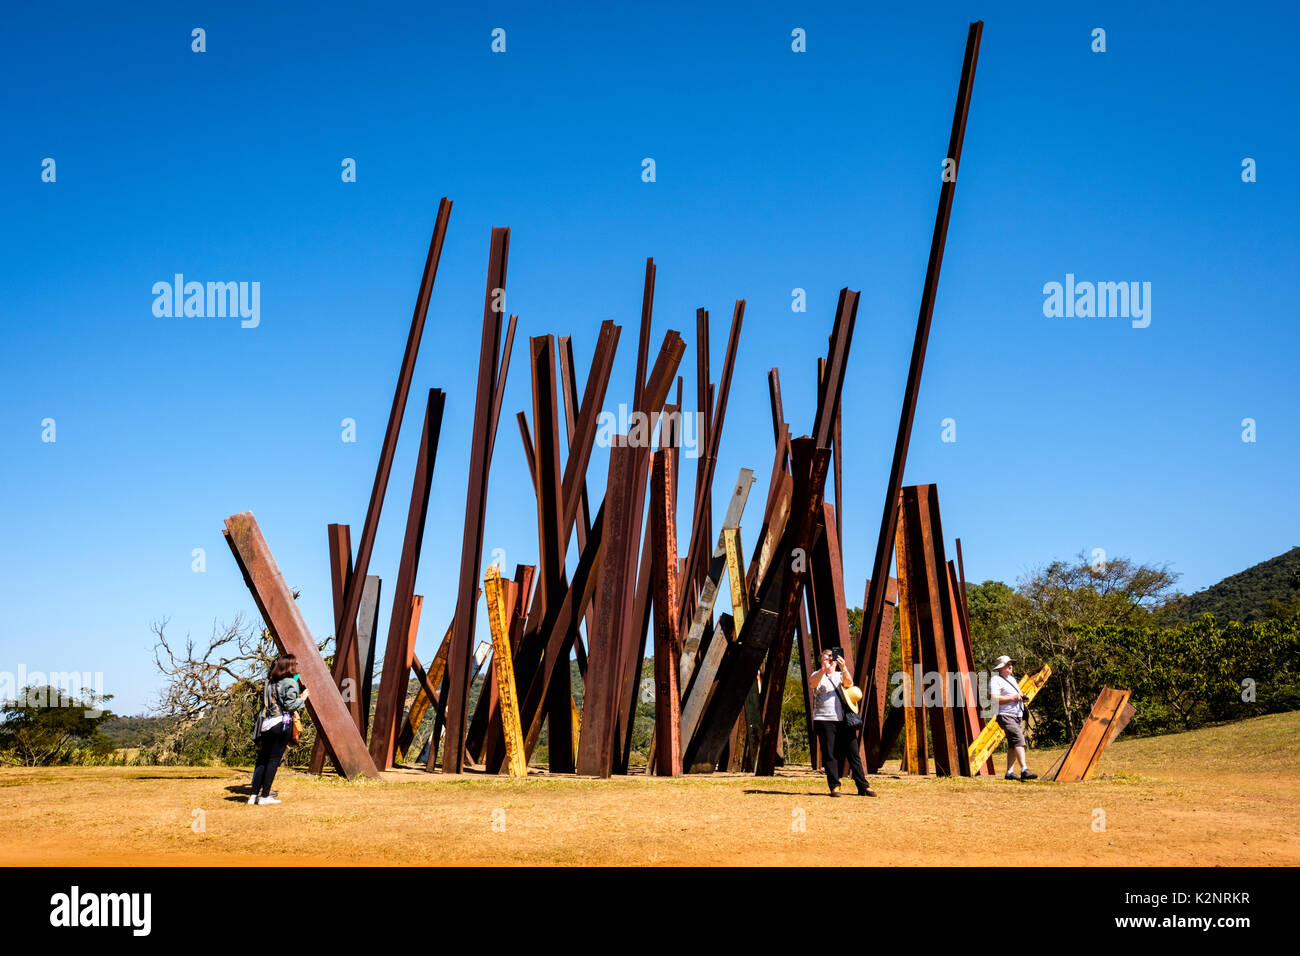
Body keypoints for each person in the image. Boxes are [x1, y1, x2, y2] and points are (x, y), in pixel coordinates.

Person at [808, 647, 875, 797]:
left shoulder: (840, 674)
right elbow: (813, 683)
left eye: (832, 658)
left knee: (853, 753)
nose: (829, 661)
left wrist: (844, 667)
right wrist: (823, 670)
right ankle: (835, 786)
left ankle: (863, 786)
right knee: (830, 754)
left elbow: (849, 683)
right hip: (824, 719)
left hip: (843, 720)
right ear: (821, 661)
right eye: (826, 658)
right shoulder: (817, 675)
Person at [249, 655, 309, 805]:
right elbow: (290, 705)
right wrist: (303, 698)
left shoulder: (269, 683)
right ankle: (265, 796)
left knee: (262, 759)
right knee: (273, 760)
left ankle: (253, 795)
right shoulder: (290, 682)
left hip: (266, 723)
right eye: (295, 664)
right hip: (281, 723)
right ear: (289, 666)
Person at [989, 655, 1036, 780]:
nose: (1011, 666)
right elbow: (994, 699)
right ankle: (1024, 769)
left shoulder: (1012, 679)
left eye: (1011, 664)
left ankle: (1009, 772)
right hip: (1005, 715)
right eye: (1007, 664)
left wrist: (1022, 697)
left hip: (1016, 715)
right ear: (1000, 668)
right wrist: (1012, 698)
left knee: (1012, 744)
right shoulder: (995, 680)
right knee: (1019, 739)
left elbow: (1017, 695)